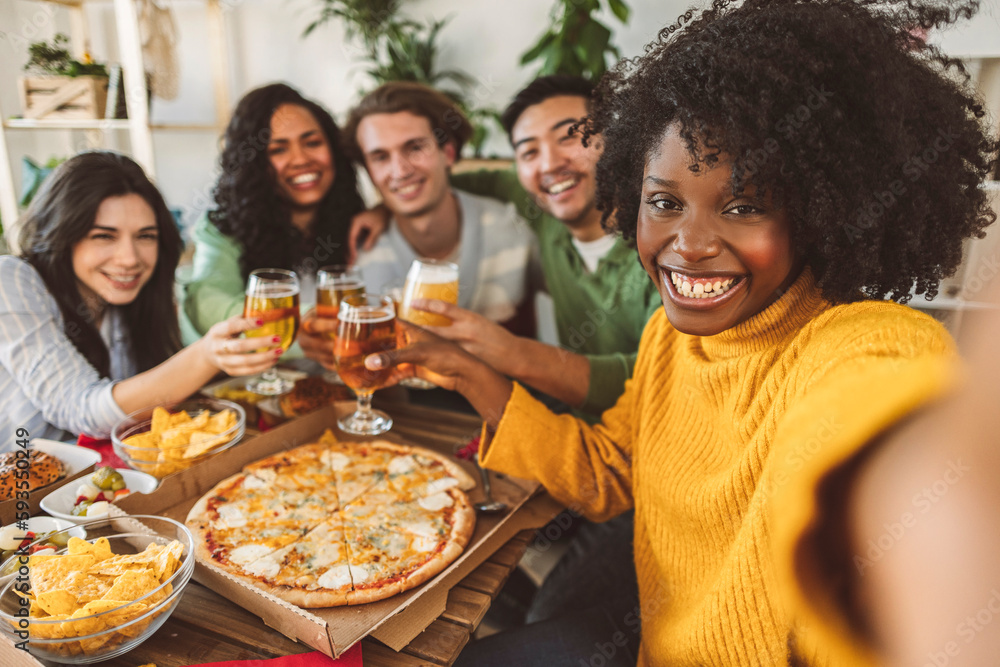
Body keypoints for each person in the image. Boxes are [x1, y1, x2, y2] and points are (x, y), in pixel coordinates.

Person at [361, 0, 998, 664]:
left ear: (817, 217)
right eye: (664, 202)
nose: (689, 245)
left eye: (743, 206)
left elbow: (881, 452)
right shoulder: (669, 338)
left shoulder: (863, 345)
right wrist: (468, 373)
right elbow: (608, 471)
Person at [349, 75, 661, 418]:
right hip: (573, 427)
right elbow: (447, 184)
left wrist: (511, 352)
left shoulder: (663, 250)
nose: (549, 164)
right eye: (529, 151)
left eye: (569, 136)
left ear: (615, 139)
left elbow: (663, 382)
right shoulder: (544, 208)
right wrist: (390, 204)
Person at [0, 152, 285, 450]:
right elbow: (81, 410)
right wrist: (206, 356)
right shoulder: (10, 280)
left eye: (145, 236)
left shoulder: (128, 300)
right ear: (63, 234)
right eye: (104, 236)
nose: (130, 258)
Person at [322, 82, 535, 332]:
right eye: (380, 157)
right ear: (369, 171)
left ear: (449, 153)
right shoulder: (358, 256)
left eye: (415, 148)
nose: (400, 171)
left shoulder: (515, 229)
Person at [178, 83, 365, 349]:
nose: (300, 159)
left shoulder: (359, 220)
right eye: (278, 149)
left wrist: (385, 211)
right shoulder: (222, 228)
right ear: (254, 164)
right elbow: (208, 306)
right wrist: (304, 322)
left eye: (312, 143)